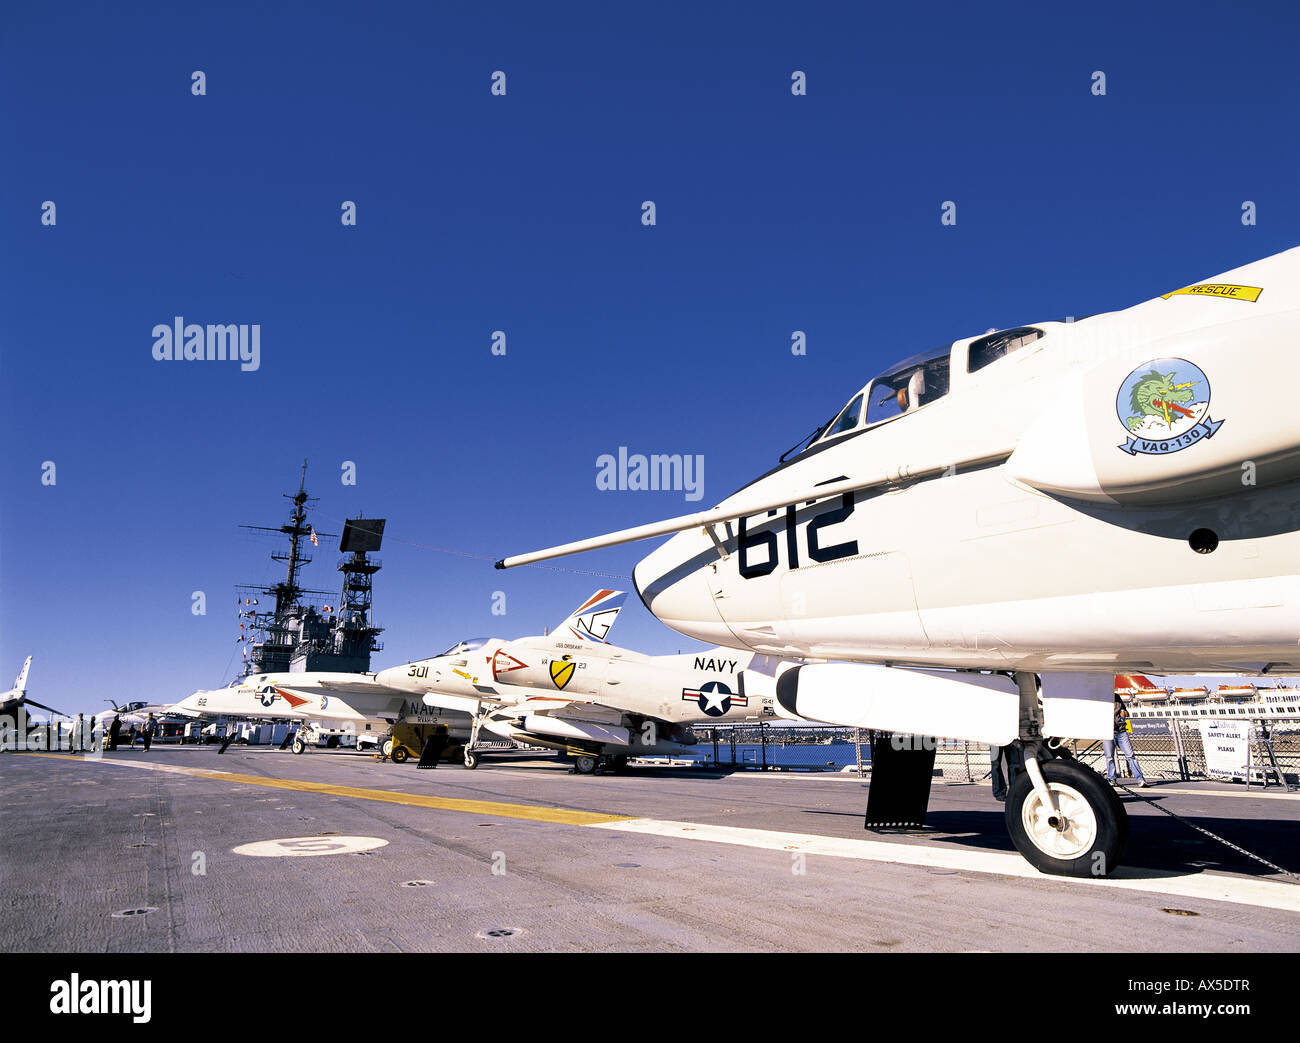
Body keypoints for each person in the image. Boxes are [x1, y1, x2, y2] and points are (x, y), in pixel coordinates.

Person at [1103, 695, 1148, 787]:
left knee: (1130, 755)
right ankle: (1112, 779)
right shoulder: (1101, 699)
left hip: (1121, 731)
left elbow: (1125, 712)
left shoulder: (1117, 697)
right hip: (1107, 732)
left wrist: (1124, 714)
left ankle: (1140, 779)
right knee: (1109, 757)